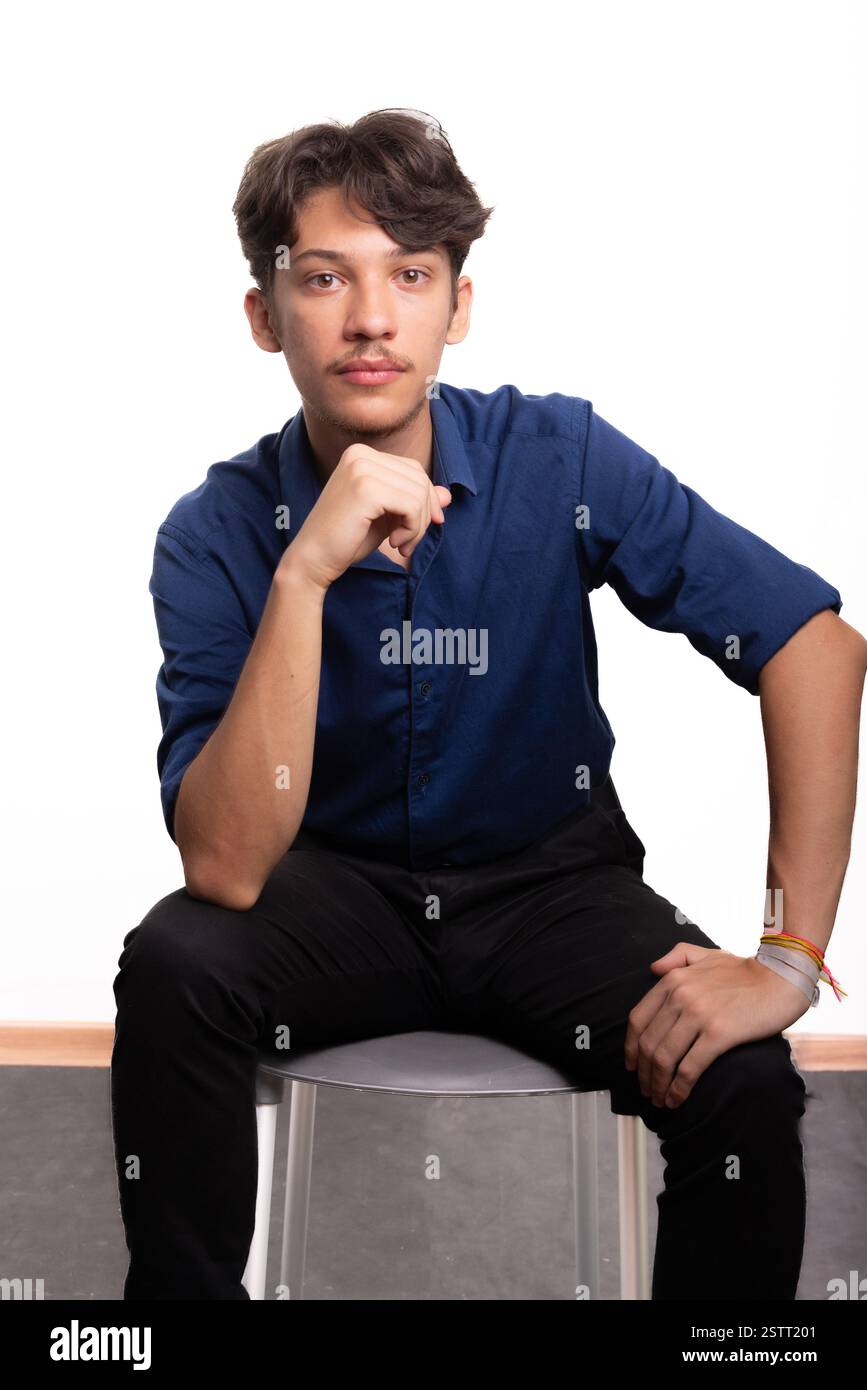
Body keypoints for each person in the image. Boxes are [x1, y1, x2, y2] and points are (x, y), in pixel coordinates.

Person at [110, 107, 866, 1300]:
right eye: (325, 277)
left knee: (745, 1080)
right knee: (174, 966)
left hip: (547, 889)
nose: (371, 318)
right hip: (330, 893)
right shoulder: (213, 533)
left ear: (456, 305)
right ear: (266, 316)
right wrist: (306, 569)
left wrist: (787, 951)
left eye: (410, 274)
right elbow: (226, 868)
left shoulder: (557, 458)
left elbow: (814, 647)